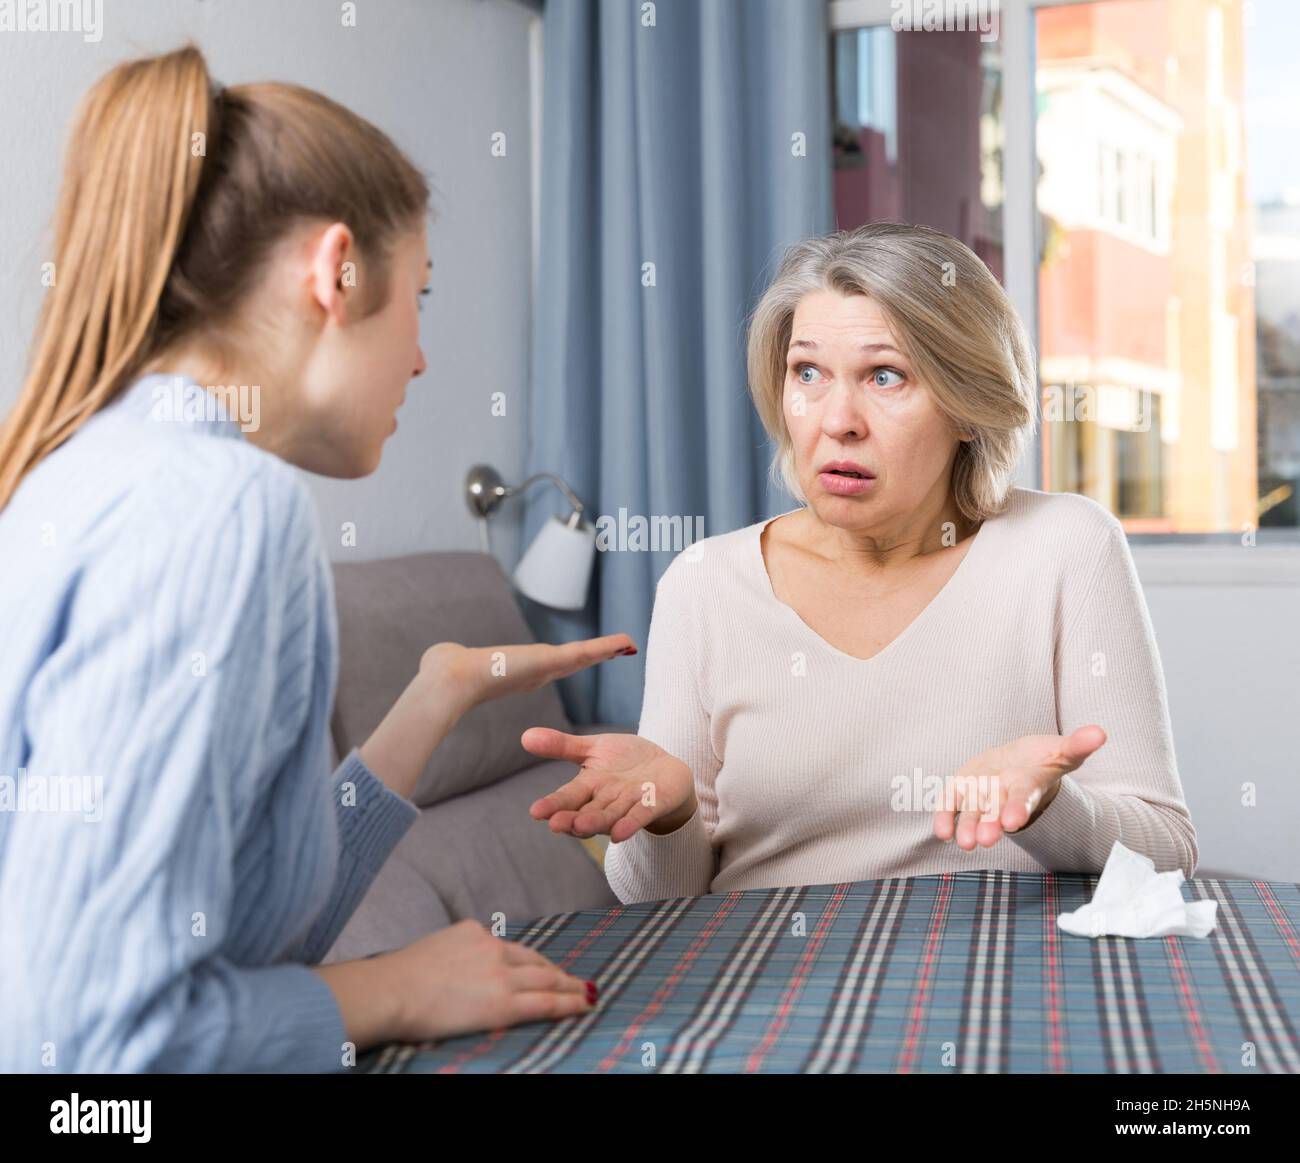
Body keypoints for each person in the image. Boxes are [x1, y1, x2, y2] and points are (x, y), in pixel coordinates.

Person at [0, 45, 635, 1072]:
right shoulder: (214, 507)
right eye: (420, 294)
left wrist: (433, 697)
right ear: (335, 271)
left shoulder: (83, 475)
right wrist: (388, 989)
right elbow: (86, 1043)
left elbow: (244, 928)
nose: (424, 354)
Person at [524, 222, 1198, 903]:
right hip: (774, 982)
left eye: (885, 375)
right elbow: (659, 908)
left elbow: (1166, 851)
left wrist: (1053, 805)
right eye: (807, 372)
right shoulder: (703, 585)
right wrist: (667, 816)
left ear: (968, 405)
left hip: (1001, 977)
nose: (837, 419)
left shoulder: (1067, 546)